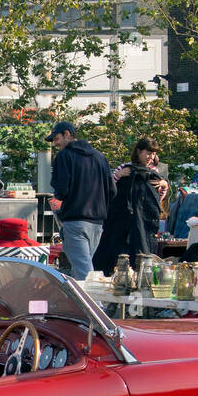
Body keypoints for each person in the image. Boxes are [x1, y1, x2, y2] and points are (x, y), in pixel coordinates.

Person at [48, 120, 113, 280]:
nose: (55, 144)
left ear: (67, 134)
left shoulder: (64, 156)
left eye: (57, 139)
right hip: (97, 222)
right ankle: (80, 304)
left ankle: (96, 305)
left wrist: (60, 199)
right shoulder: (100, 156)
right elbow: (112, 190)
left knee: (84, 272)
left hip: (75, 220)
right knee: (82, 267)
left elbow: (61, 191)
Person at [93, 136, 167, 274]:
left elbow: (158, 198)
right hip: (122, 217)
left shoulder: (154, 172)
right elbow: (110, 188)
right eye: (148, 153)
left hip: (143, 219)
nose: (151, 157)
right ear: (139, 152)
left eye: (154, 154)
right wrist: (119, 175)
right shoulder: (124, 167)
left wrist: (164, 184)